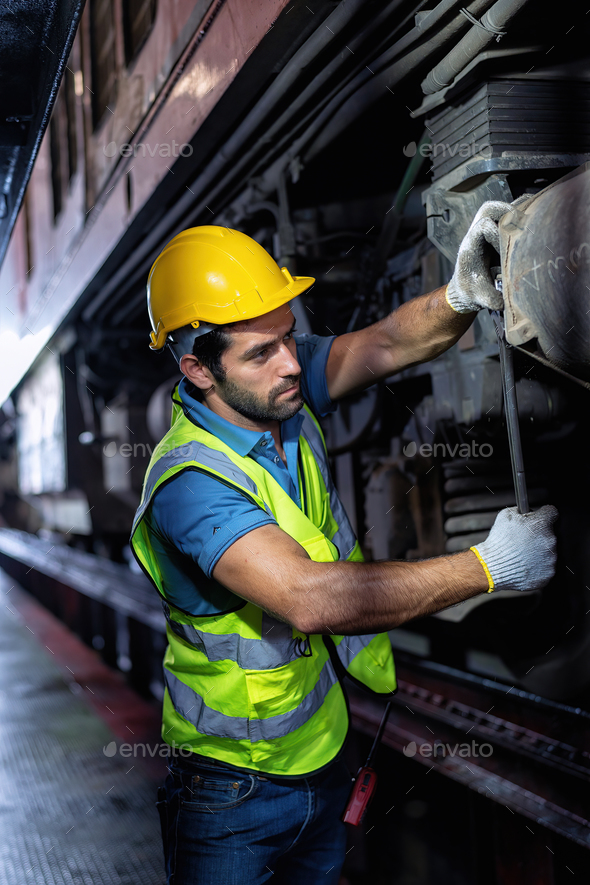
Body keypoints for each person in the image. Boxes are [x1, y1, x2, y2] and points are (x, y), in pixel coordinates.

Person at [130, 204, 557, 885]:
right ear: (198, 370)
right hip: (231, 789)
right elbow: (308, 599)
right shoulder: (189, 483)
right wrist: (488, 567)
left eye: (289, 337)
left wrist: (459, 293)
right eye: (261, 351)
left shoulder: (280, 401)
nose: (292, 363)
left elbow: (384, 343)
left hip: (325, 756)